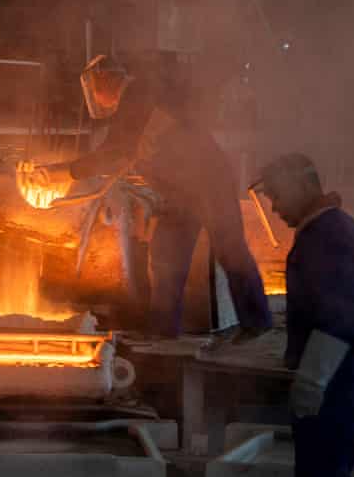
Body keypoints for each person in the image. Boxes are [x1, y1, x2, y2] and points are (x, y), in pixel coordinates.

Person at [27, 53, 272, 340]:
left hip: (208, 185)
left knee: (230, 250)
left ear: (106, 80)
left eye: (94, 88)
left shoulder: (139, 96)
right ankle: (164, 332)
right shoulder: (137, 102)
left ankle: (257, 323)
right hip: (180, 194)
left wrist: (57, 173)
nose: (94, 96)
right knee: (165, 260)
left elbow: (112, 154)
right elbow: (123, 154)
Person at [254, 153, 354, 477]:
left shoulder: (325, 238)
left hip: (338, 383)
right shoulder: (335, 228)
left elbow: (338, 320)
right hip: (348, 378)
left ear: (300, 186)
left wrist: (312, 381)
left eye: (277, 196)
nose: (274, 208)